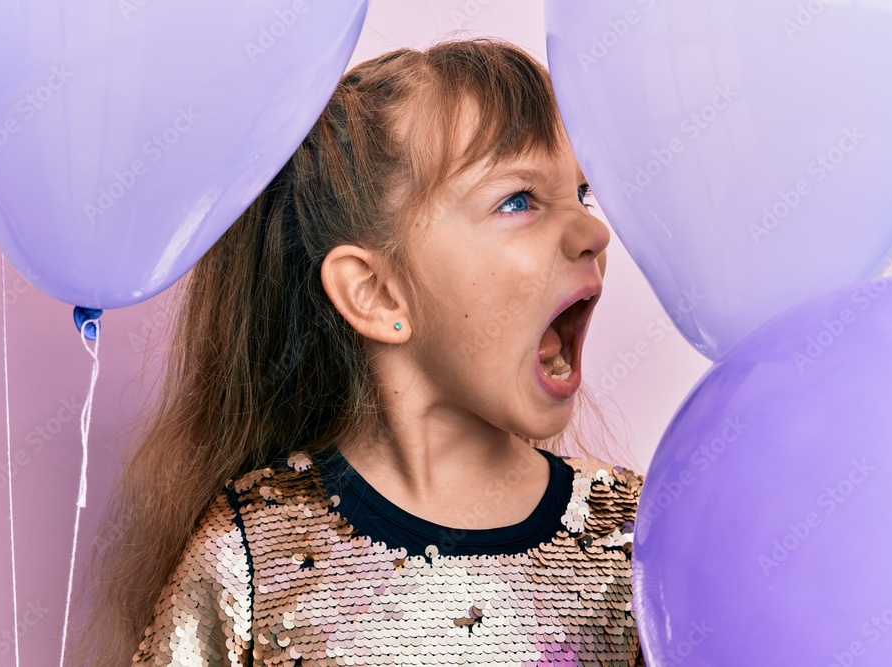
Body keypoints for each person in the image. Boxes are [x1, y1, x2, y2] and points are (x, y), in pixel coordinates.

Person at [73, 37, 645, 666]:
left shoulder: (638, 540)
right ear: (377, 293)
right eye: (518, 200)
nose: (594, 230)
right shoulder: (250, 554)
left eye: (582, 193)